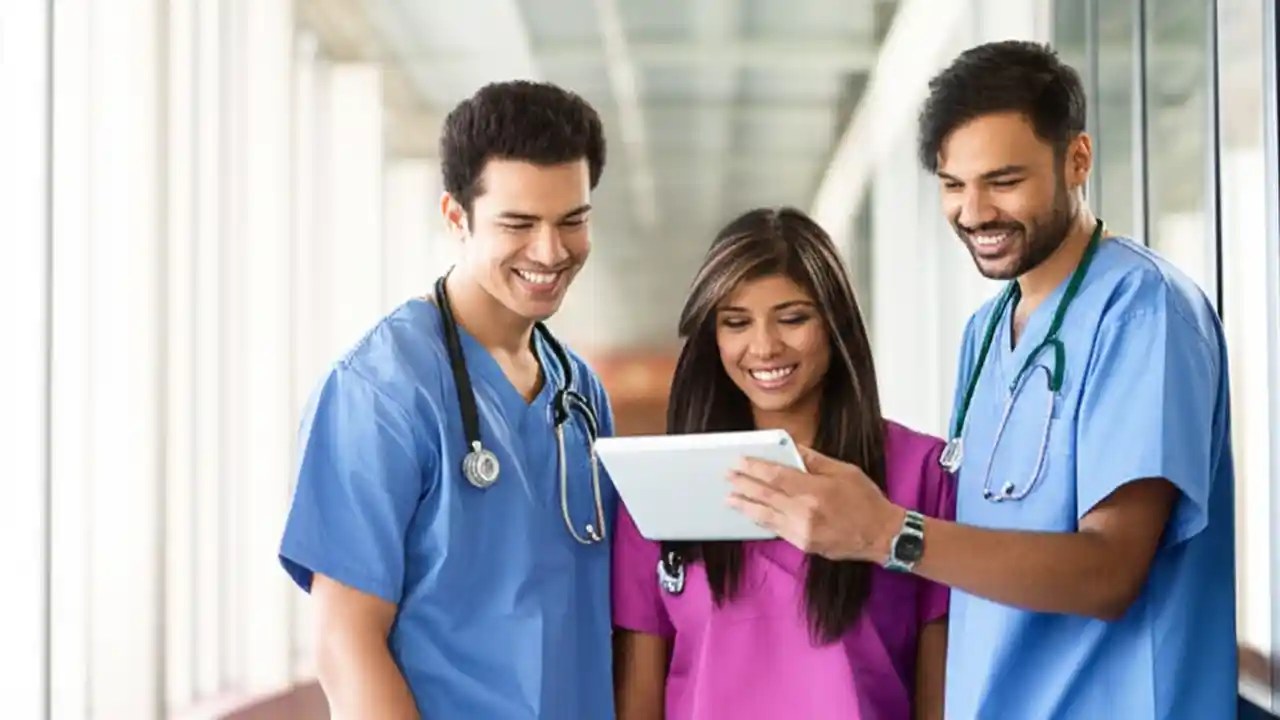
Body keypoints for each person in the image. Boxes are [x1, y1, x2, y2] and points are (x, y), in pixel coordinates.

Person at [725, 40, 1237, 719]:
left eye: (1004, 180)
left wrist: (886, 533)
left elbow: (1110, 571)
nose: (974, 212)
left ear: (1077, 158)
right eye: (952, 184)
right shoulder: (987, 334)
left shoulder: (1145, 312)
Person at [277, 80, 618, 719]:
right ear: (456, 217)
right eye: (518, 224)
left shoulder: (580, 392)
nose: (551, 251)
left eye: (572, 221)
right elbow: (345, 641)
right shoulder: (381, 388)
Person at [612, 207, 955, 720]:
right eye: (736, 323)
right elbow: (639, 702)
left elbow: (940, 692)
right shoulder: (659, 484)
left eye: (794, 318)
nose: (765, 346)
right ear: (713, 336)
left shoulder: (920, 474)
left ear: (835, 322)